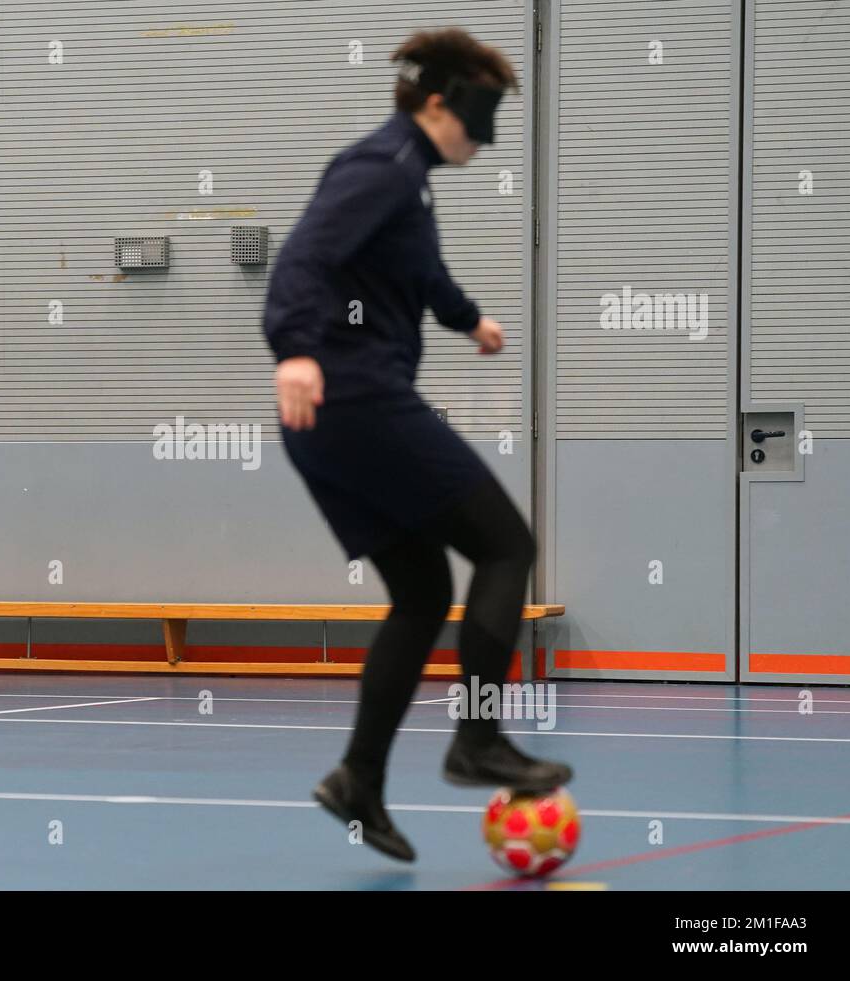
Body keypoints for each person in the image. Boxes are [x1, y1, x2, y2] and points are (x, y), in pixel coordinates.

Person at [263, 28, 571, 862]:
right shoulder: (383, 167)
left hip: (335, 421)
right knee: (508, 546)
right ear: (438, 104)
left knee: (424, 588)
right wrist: (293, 346)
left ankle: (359, 778)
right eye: (480, 114)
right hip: (354, 398)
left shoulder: (408, 180)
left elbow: (419, 271)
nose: (485, 133)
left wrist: (470, 320)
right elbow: (302, 260)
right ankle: (476, 737)